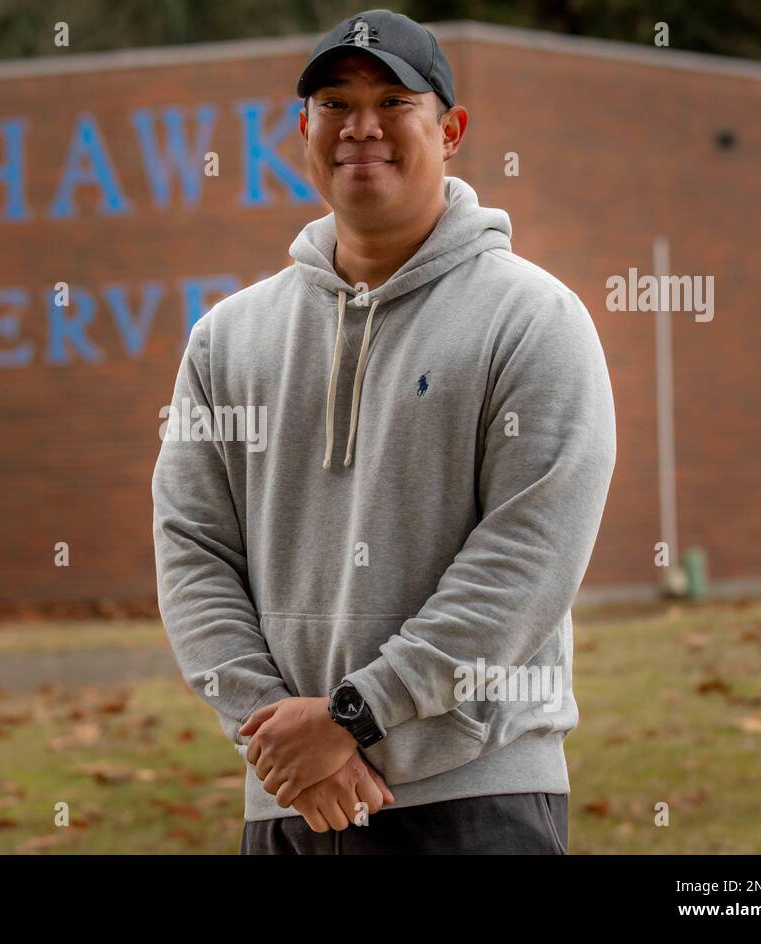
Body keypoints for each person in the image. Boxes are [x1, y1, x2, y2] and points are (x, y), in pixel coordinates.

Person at [151, 9, 616, 854]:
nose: (360, 126)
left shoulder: (534, 319)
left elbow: (528, 560)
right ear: (303, 130)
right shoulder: (228, 338)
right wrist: (280, 737)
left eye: (393, 101)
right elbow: (193, 551)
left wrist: (354, 716)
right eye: (334, 103)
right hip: (291, 802)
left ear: (452, 129)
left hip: (479, 800)